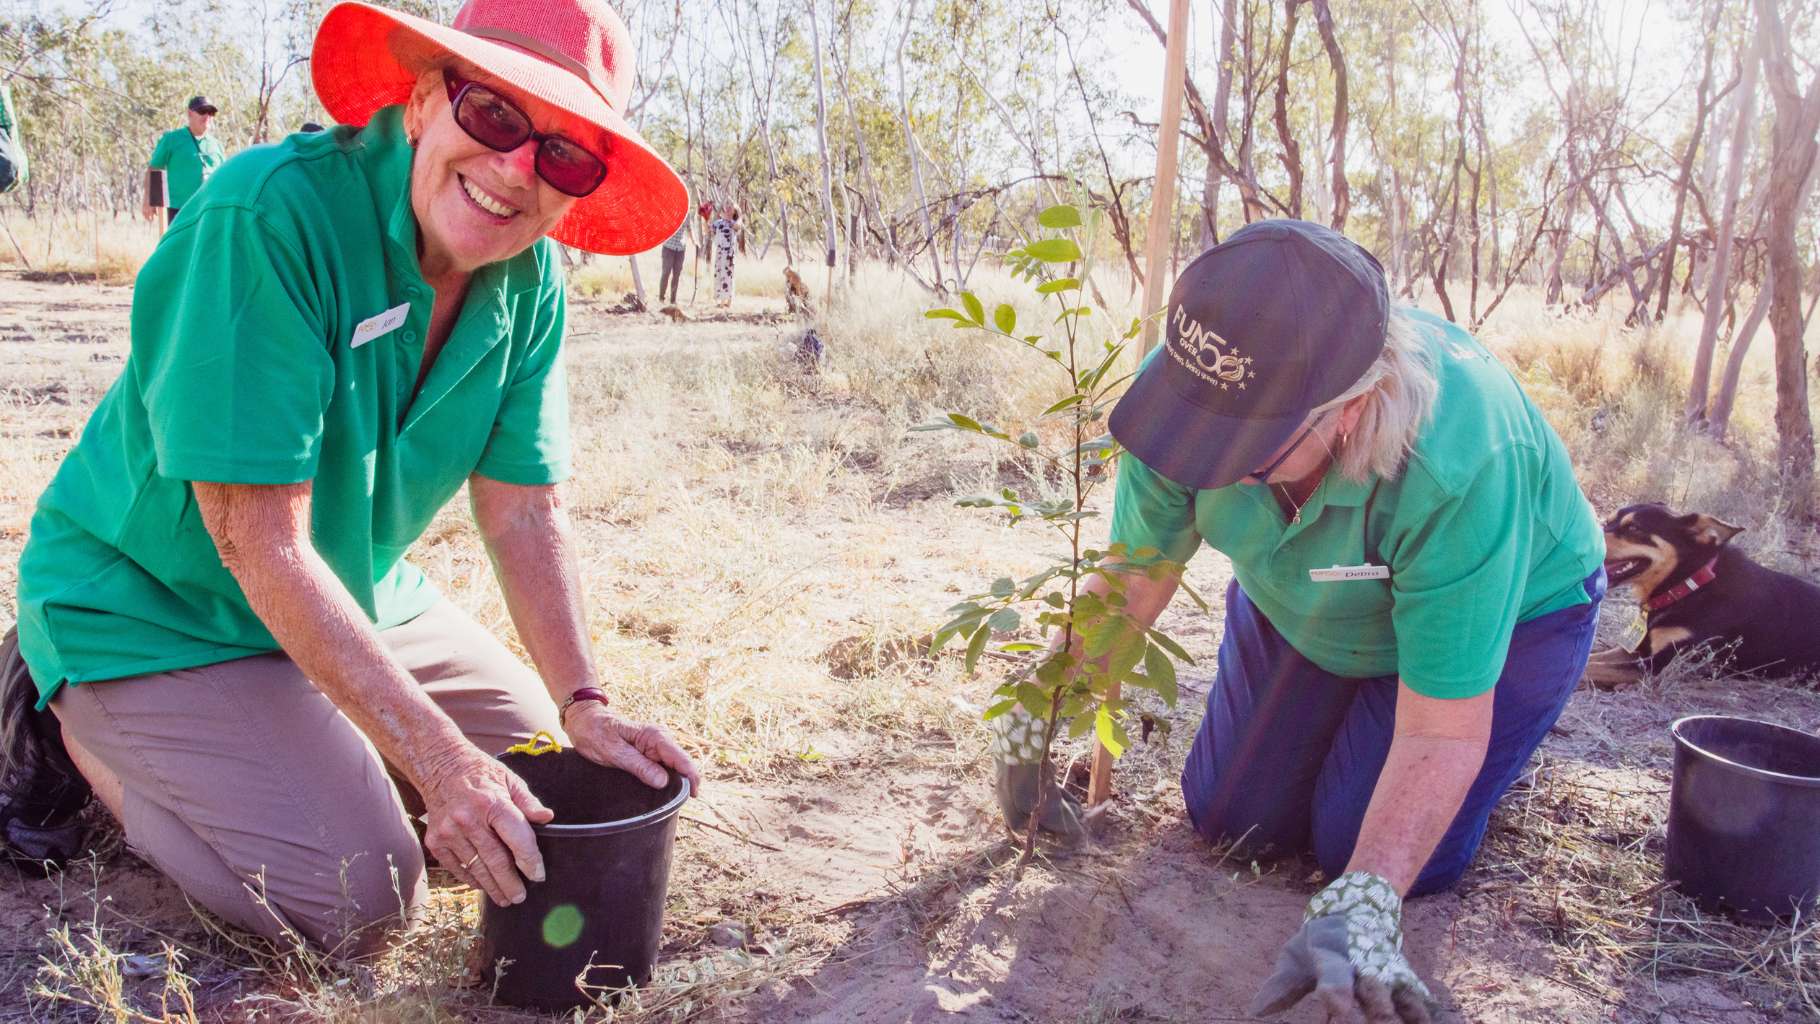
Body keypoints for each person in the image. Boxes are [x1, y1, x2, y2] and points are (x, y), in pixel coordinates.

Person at [3, 0, 699, 955]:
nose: (515, 169)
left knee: (537, 782)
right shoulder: (268, 216)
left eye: (563, 156)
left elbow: (527, 512)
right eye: (496, 115)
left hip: (351, 588)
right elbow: (257, 541)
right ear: (422, 101)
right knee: (359, 898)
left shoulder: (529, 283)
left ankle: (308, 720)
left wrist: (588, 702)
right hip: (158, 605)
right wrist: (432, 754)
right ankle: (71, 724)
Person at [991, 220, 1604, 1021]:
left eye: (1243, 447)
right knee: (1230, 816)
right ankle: (1357, 726)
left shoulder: (1464, 457)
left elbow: (1440, 730)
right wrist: (1040, 708)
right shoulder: (1200, 381)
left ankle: (1484, 760)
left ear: (1348, 409)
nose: (1206, 461)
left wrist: (1368, 895)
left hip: (1512, 617)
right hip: (1311, 601)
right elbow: (1131, 581)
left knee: (1356, 848)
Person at [143, 96, 227, 225]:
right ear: (190, 113)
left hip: (210, 210)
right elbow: (154, 169)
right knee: (180, 245)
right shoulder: (171, 139)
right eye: (202, 111)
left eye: (211, 112)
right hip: (180, 210)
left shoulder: (217, 145)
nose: (207, 116)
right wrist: (149, 200)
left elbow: (224, 178)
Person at [709, 203, 738, 306]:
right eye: (727, 208)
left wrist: (740, 214)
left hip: (729, 253)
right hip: (720, 252)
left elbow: (738, 226)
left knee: (728, 276)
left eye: (731, 209)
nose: (728, 210)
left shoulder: (734, 223)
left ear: (734, 211)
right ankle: (720, 300)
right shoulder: (717, 223)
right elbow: (711, 232)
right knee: (719, 274)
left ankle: (728, 300)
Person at [658, 215, 687, 305]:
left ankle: (673, 300)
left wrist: (696, 241)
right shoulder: (672, 212)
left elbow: (690, 230)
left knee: (676, 275)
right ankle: (661, 298)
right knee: (666, 273)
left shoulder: (688, 215)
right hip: (668, 247)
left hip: (680, 249)